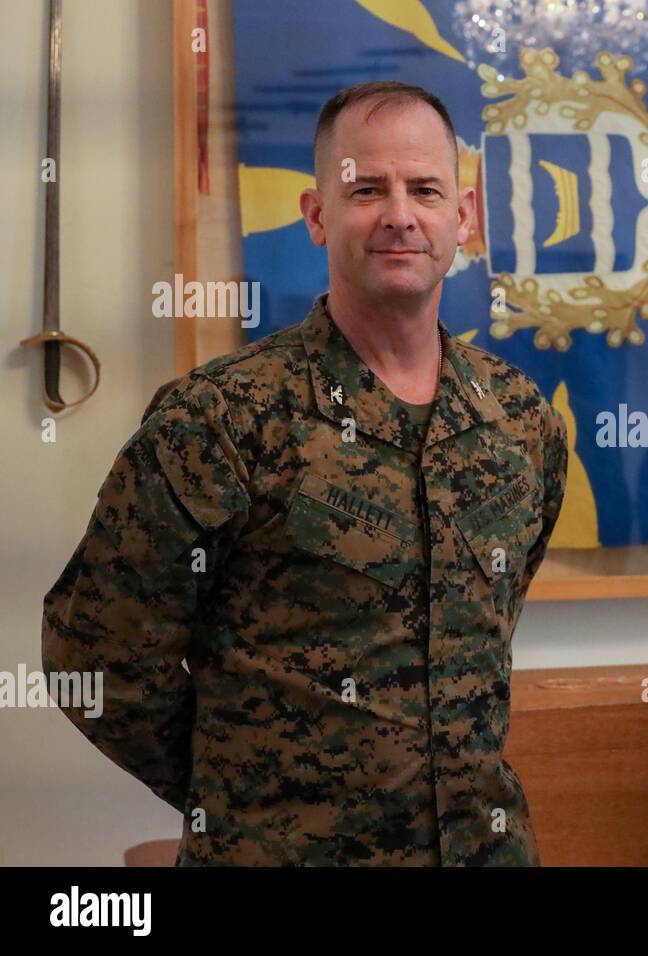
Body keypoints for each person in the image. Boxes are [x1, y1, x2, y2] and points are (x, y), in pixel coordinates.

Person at [41, 80, 567, 865]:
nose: (399, 215)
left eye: (425, 189)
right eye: (366, 189)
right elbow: (95, 654)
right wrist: (240, 783)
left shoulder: (519, 419)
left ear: (463, 219)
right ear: (316, 215)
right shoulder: (219, 420)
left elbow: (493, 617)